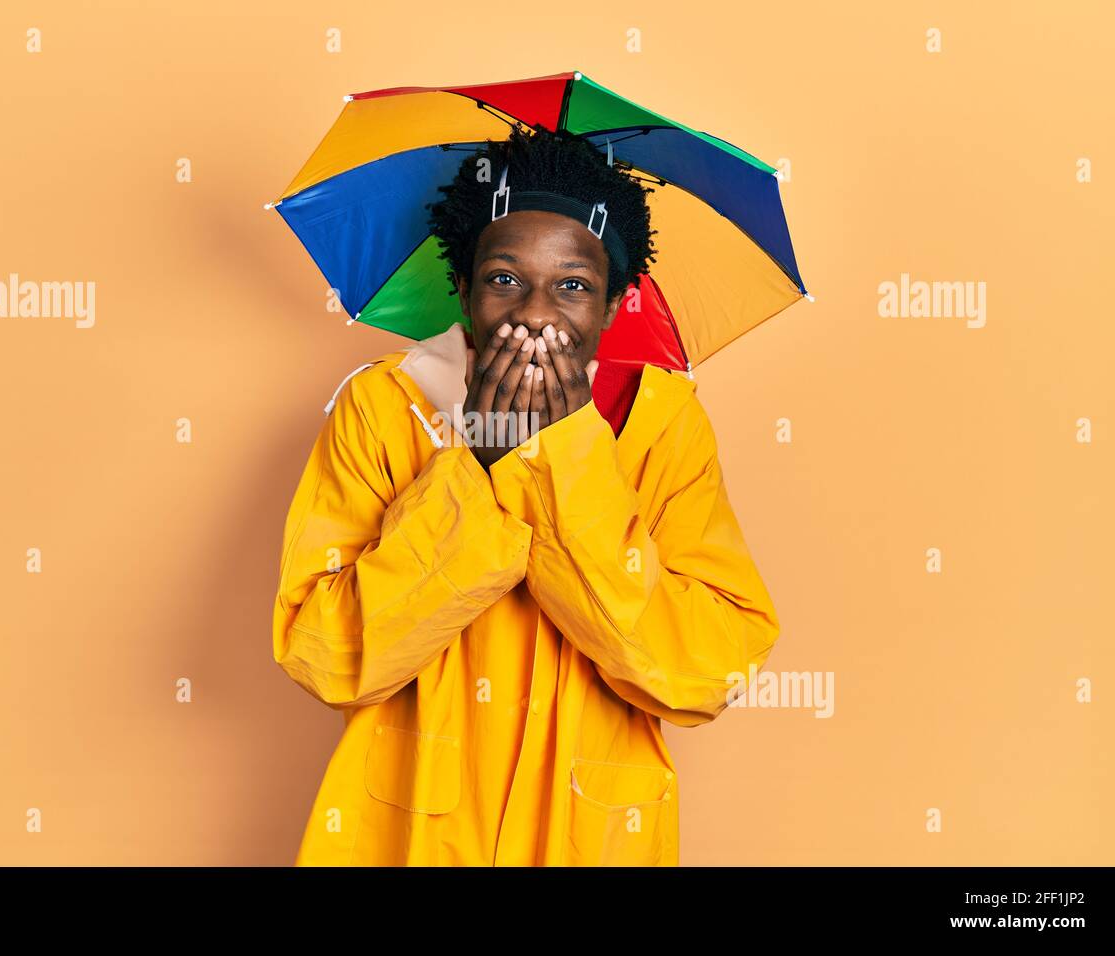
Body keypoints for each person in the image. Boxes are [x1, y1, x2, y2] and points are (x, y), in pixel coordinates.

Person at [272, 123, 781, 866]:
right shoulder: (385, 407)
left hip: (592, 830)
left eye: (573, 285)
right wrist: (473, 470)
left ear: (613, 307)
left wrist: (565, 459)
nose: (535, 314)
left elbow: (706, 673)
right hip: (409, 827)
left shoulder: (664, 423)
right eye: (504, 279)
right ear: (463, 288)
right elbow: (327, 656)